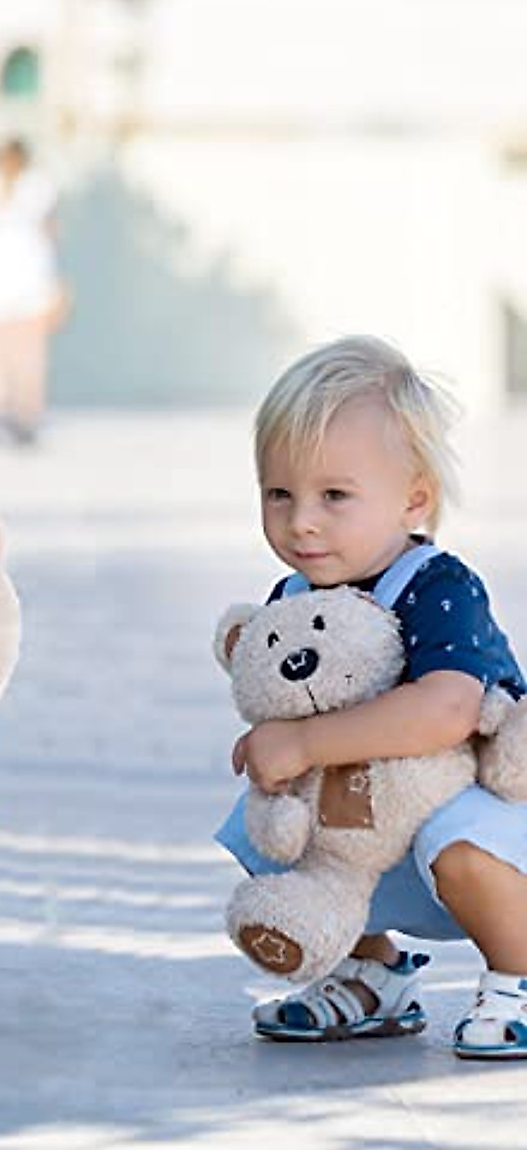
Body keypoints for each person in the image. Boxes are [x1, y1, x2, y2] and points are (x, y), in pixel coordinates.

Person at [216, 334, 527, 1059]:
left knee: (459, 842)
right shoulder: (291, 596)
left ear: (413, 498)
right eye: (279, 494)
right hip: (369, 811)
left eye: (334, 496)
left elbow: (448, 707)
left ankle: (517, 976)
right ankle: (371, 971)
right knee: (269, 825)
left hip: (480, 799)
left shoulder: (435, 586)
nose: (302, 522)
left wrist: (303, 744)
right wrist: (275, 750)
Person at [0, 138, 66, 446]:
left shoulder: (38, 187)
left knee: (28, 358)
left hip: (30, 290)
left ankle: (26, 417)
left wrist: (55, 288)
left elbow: (50, 234)